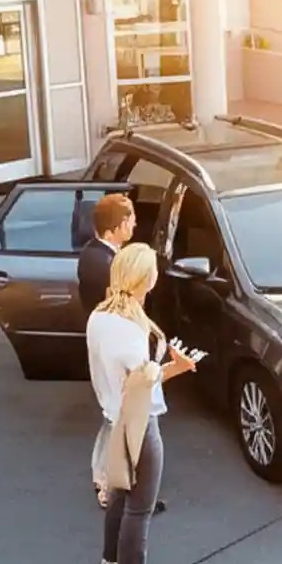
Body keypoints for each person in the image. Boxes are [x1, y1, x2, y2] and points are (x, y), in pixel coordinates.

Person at [87, 243, 197, 564]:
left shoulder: (99, 317)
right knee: (140, 506)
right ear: (144, 278)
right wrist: (174, 367)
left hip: (113, 417)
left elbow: (124, 381)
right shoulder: (131, 330)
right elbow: (139, 384)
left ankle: (110, 559)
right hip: (139, 423)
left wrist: (162, 368)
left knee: (120, 493)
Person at [76, 194, 169, 514]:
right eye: (130, 220)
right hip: (115, 359)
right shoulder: (106, 266)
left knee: (111, 419)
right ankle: (109, 484)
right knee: (115, 421)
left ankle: (111, 482)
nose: (135, 224)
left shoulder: (93, 255)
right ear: (116, 227)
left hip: (106, 352)